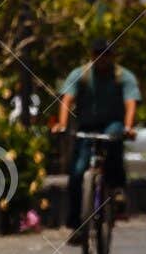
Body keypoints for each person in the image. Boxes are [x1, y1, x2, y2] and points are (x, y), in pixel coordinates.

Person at [55, 39, 140, 241]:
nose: (102, 59)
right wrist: (62, 124)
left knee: (113, 140)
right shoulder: (80, 74)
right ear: (92, 55)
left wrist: (128, 127)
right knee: (77, 171)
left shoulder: (123, 77)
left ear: (113, 56)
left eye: (106, 55)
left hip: (113, 124)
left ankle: (117, 188)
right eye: (98, 54)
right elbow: (67, 99)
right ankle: (77, 224)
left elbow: (130, 103)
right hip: (87, 126)